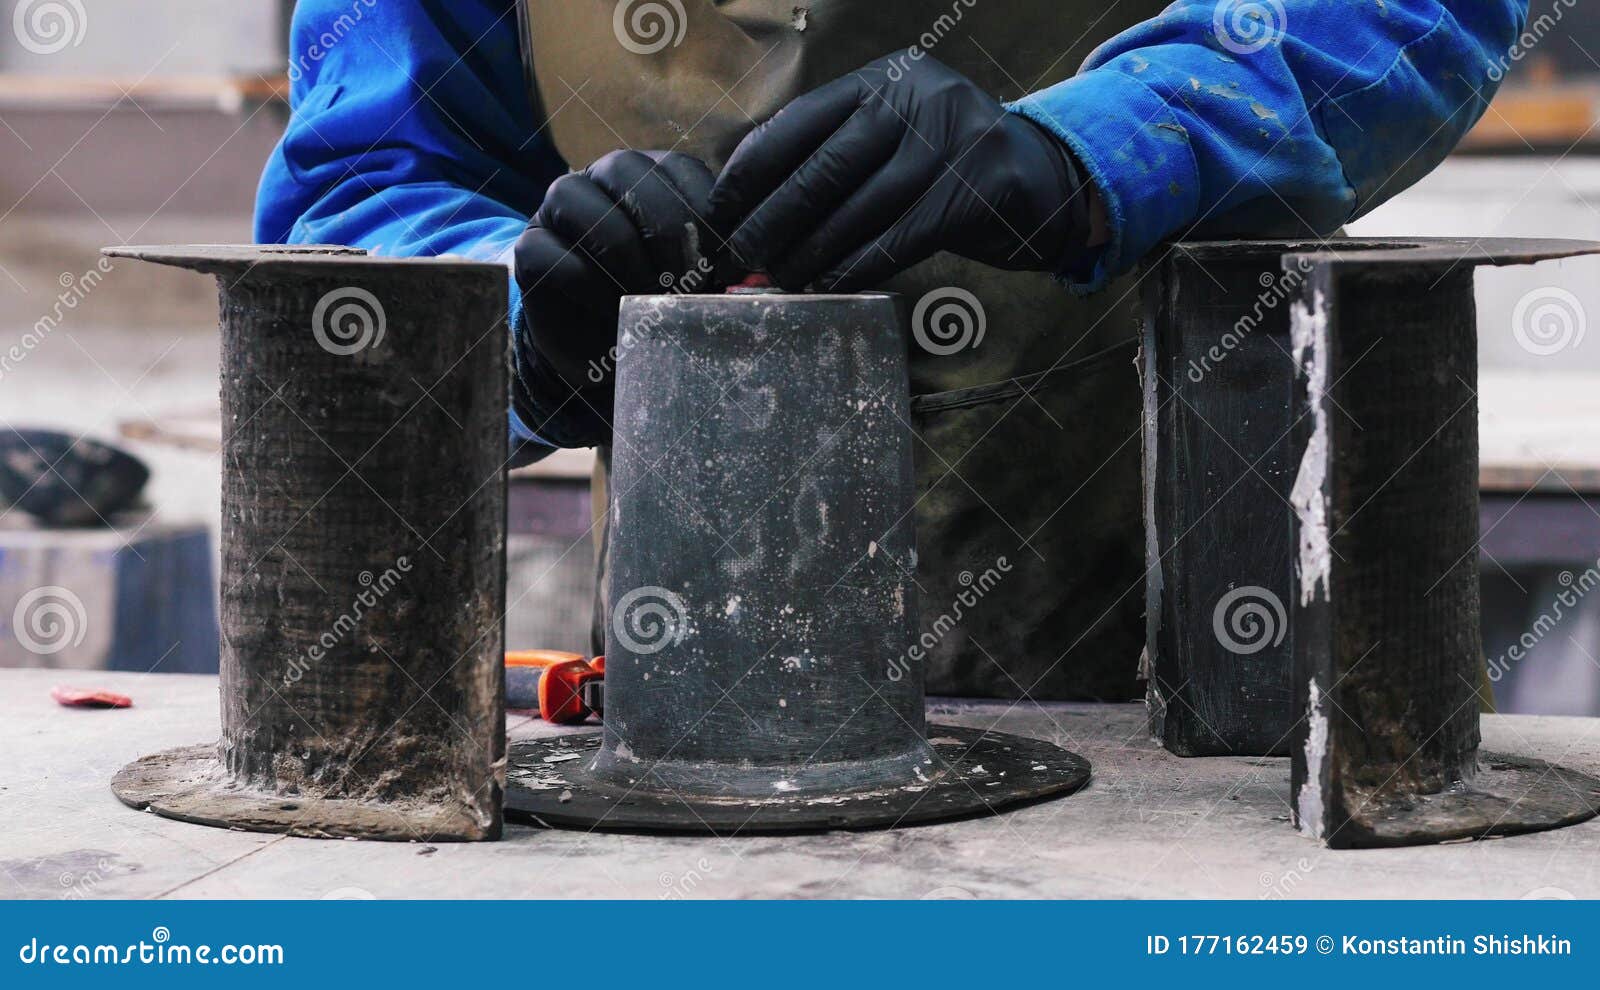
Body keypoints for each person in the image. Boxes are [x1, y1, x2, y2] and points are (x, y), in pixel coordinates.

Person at [257, 0, 1525, 701]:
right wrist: (533, 312)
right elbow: (366, 175)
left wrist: (1104, 145)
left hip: (1227, 693)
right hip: (703, 713)